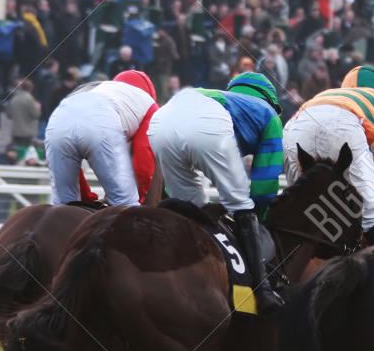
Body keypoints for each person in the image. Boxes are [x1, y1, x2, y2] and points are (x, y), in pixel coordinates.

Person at [148, 72, 286, 311]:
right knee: (241, 204)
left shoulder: (224, 99)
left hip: (161, 120)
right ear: (271, 100)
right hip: (205, 123)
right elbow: (264, 187)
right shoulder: (269, 114)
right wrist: (261, 220)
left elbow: (171, 190)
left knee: (193, 210)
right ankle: (262, 291)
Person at [282, 65, 374, 245]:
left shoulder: (328, 94)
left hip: (296, 123)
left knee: (300, 211)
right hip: (344, 126)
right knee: (373, 218)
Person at [44, 69, 158, 207]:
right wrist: (139, 199)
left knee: (63, 207)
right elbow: (143, 161)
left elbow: (72, 173)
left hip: (57, 121)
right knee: (126, 207)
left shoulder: (99, 89)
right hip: (101, 122)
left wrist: (86, 199)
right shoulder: (150, 105)